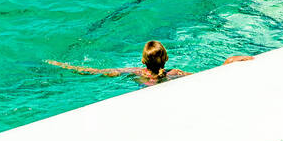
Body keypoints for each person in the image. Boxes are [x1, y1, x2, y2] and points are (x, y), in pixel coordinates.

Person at [47, 40, 253, 88]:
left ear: (143, 60)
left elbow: (95, 72)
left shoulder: (135, 72)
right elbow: (209, 76)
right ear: (166, 58)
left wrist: (63, 65)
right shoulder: (174, 73)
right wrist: (228, 61)